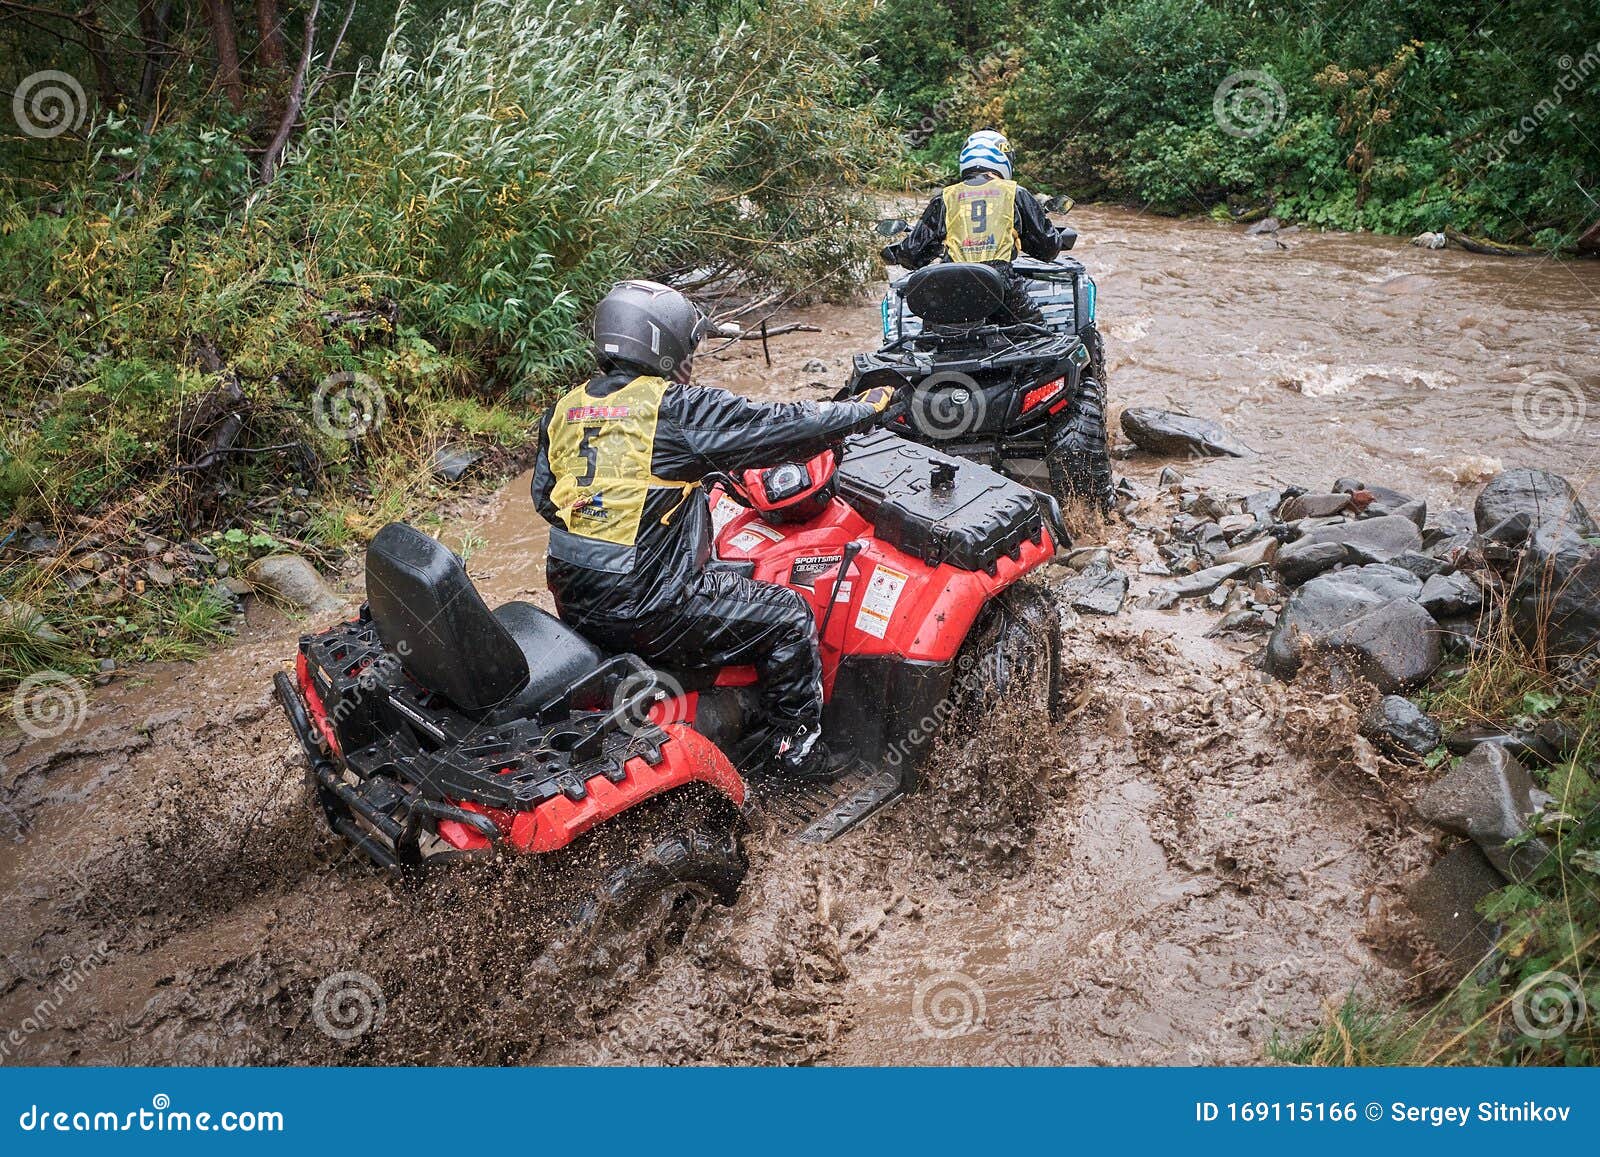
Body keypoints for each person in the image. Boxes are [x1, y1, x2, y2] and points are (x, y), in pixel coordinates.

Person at [531, 280, 894, 779]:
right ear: (664, 345)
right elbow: (776, 423)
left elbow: (548, 503)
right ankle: (798, 749)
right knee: (788, 613)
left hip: (574, 600)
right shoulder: (674, 408)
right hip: (648, 606)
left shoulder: (565, 409)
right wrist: (863, 410)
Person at [880, 128, 1073, 325]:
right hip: (1001, 286)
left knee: (932, 342)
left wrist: (902, 253)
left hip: (950, 289)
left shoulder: (945, 197)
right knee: (1035, 336)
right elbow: (1047, 249)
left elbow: (912, 255)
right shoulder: (1014, 193)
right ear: (1004, 159)